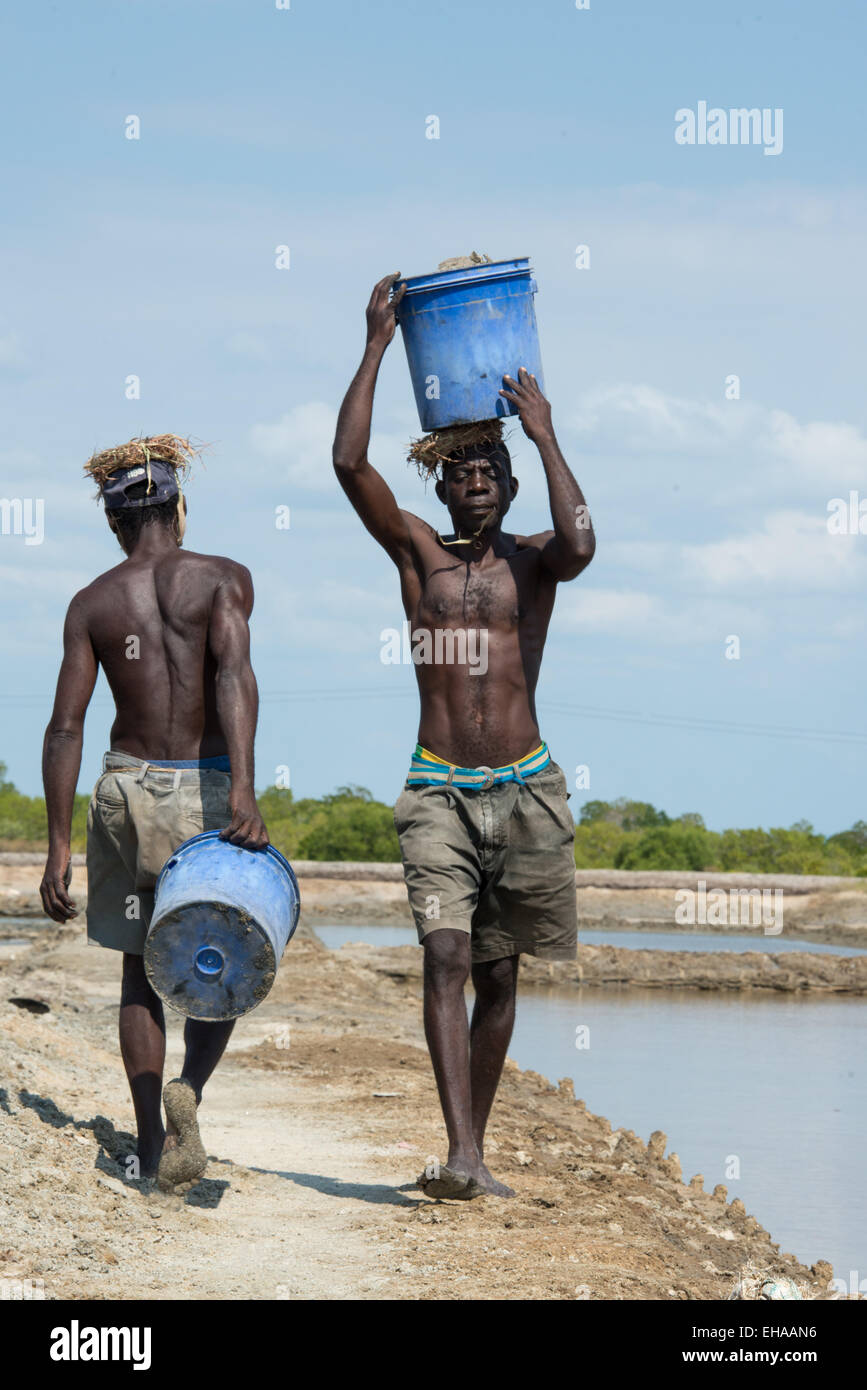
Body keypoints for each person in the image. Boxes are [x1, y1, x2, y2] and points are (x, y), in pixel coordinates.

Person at [333, 274, 596, 1198]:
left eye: (489, 472)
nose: (474, 480)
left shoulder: (536, 563)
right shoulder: (419, 556)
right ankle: (460, 1155)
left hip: (525, 789)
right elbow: (349, 467)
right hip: (438, 786)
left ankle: (473, 1147)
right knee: (444, 955)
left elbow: (584, 540)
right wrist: (374, 343)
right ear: (440, 481)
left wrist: (545, 431)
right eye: (459, 470)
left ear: (508, 482)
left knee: (500, 973)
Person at [39, 438, 269, 1189]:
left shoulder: (94, 602)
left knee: (140, 970)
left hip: (126, 791)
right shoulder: (222, 579)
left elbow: (66, 727)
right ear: (177, 506)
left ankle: (147, 1144)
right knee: (221, 955)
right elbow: (233, 673)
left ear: (113, 524)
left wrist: (57, 849)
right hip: (204, 788)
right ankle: (189, 1092)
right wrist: (242, 788)